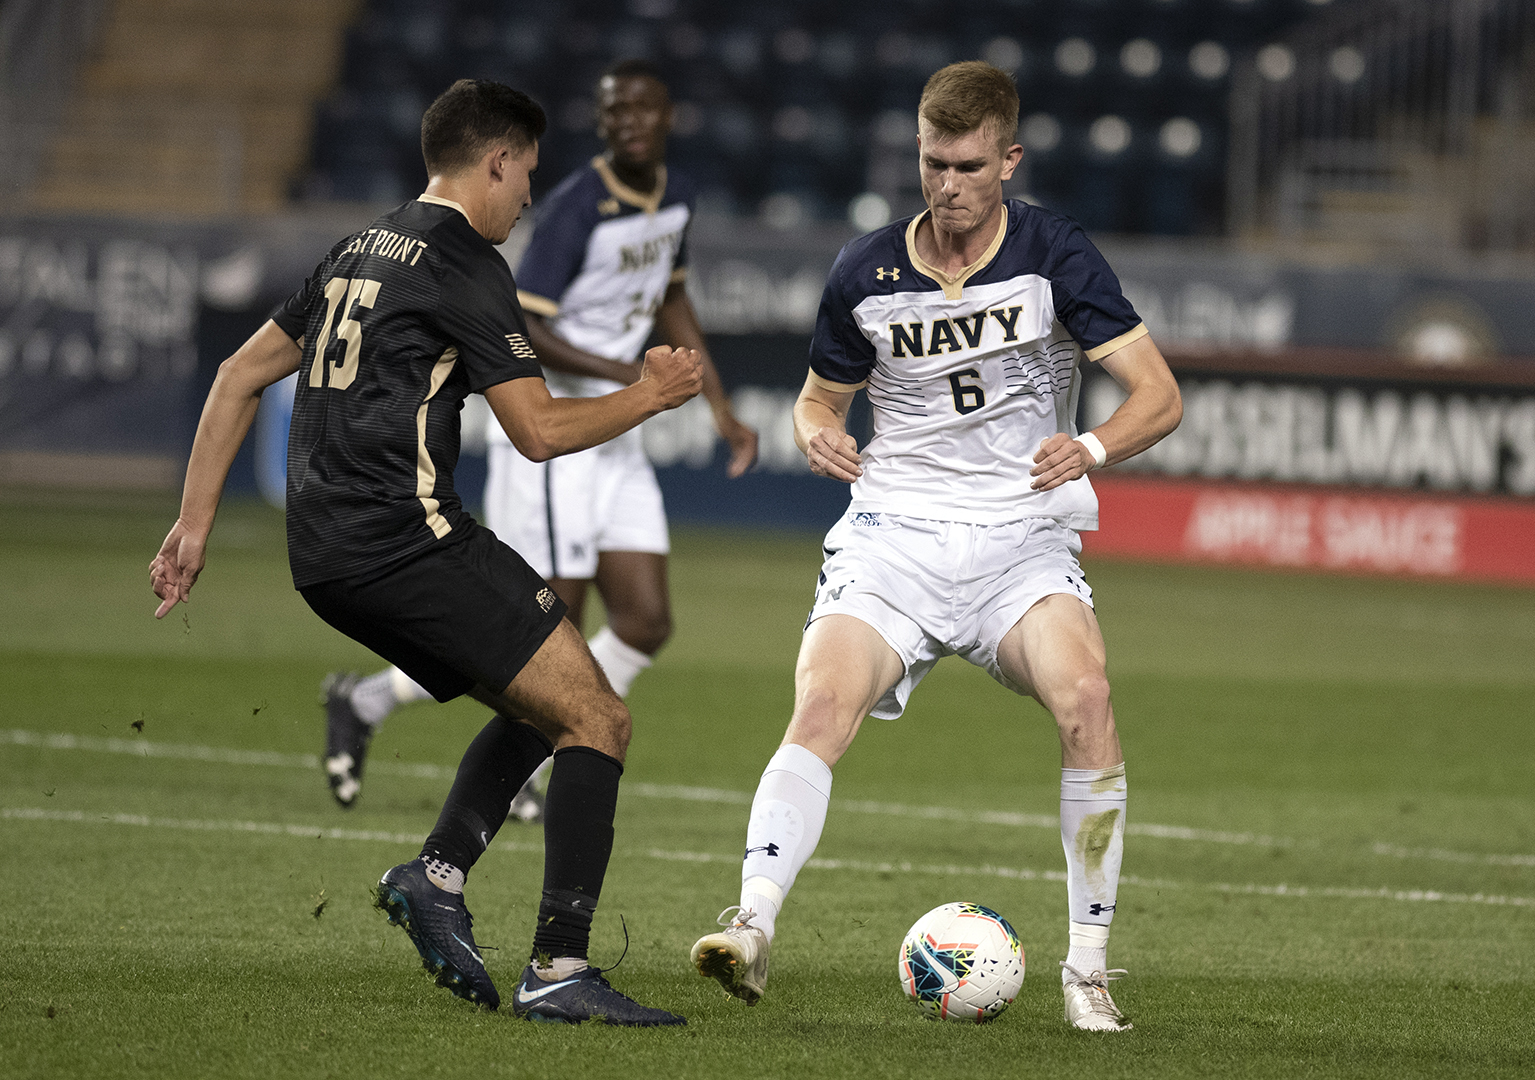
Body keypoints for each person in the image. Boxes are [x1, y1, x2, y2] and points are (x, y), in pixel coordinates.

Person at [148, 78, 701, 1027]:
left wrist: (192, 527)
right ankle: (559, 967)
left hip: (322, 555)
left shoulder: (359, 245)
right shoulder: (465, 262)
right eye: (526, 172)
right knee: (601, 719)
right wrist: (650, 396)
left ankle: (437, 877)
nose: (529, 194)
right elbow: (537, 431)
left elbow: (238, 374)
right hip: (406, 541)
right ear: (495, 161)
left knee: (548, 698)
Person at [687, 61, 1182, 1033]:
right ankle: (750, 925)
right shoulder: (864, 270)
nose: (945, 186)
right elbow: (819, 398)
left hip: (1019, 543)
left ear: (1009, 158)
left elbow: (1159, 397)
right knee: (823, 702)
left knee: (1087, 699)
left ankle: (1087, 970)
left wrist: (1085, 447)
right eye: (930, 163)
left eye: (965, 166)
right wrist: (812, 430)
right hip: (894, 537)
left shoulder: (1053, 256)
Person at [320, 59, 758, 820]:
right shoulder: (571, 206)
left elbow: (673, 296)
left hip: (621, 428)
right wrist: (629, 373)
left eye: (640, 110)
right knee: (554, 630)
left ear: (668, 118)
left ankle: (367, 700)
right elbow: (526, 327)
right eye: (611, 111)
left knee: (647, 621)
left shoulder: (676, 195)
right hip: (557, 431)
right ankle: (539, 758)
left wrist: (715, 401)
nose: (625, 123)